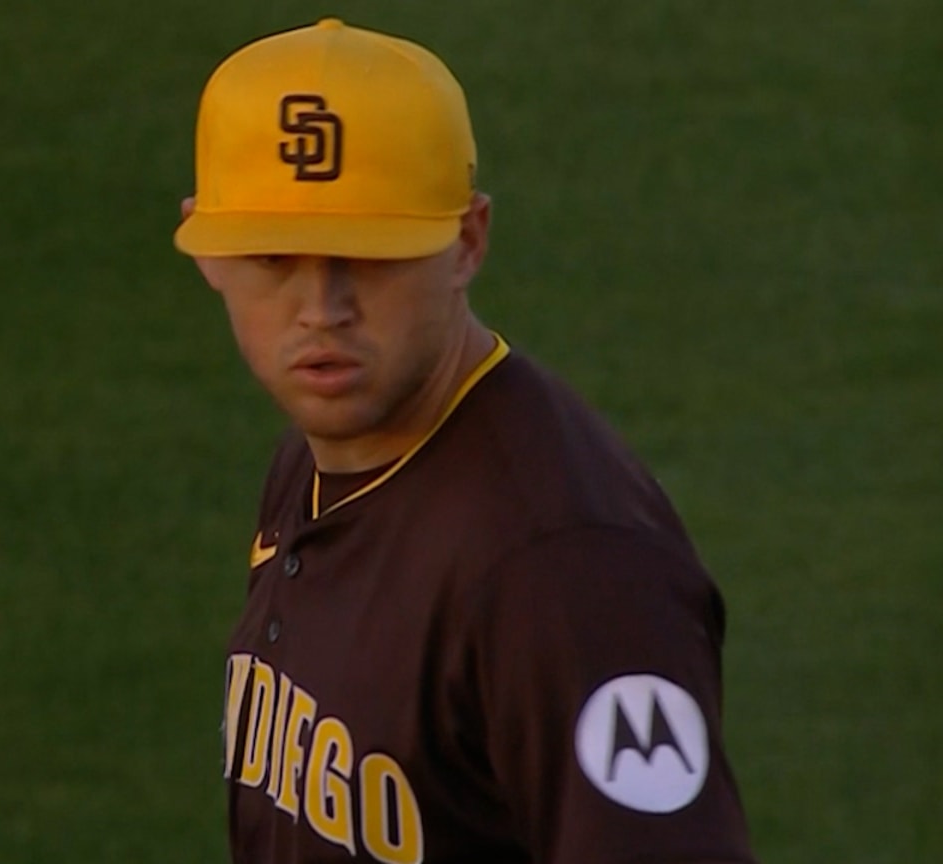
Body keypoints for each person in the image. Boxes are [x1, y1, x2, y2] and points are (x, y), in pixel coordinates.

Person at [173, 18, 756, 864]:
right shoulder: (321, 452)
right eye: (272, 256)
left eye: (368, 256)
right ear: (208, 252)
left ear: (466, 242)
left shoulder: (562, 570)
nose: (320, 308)